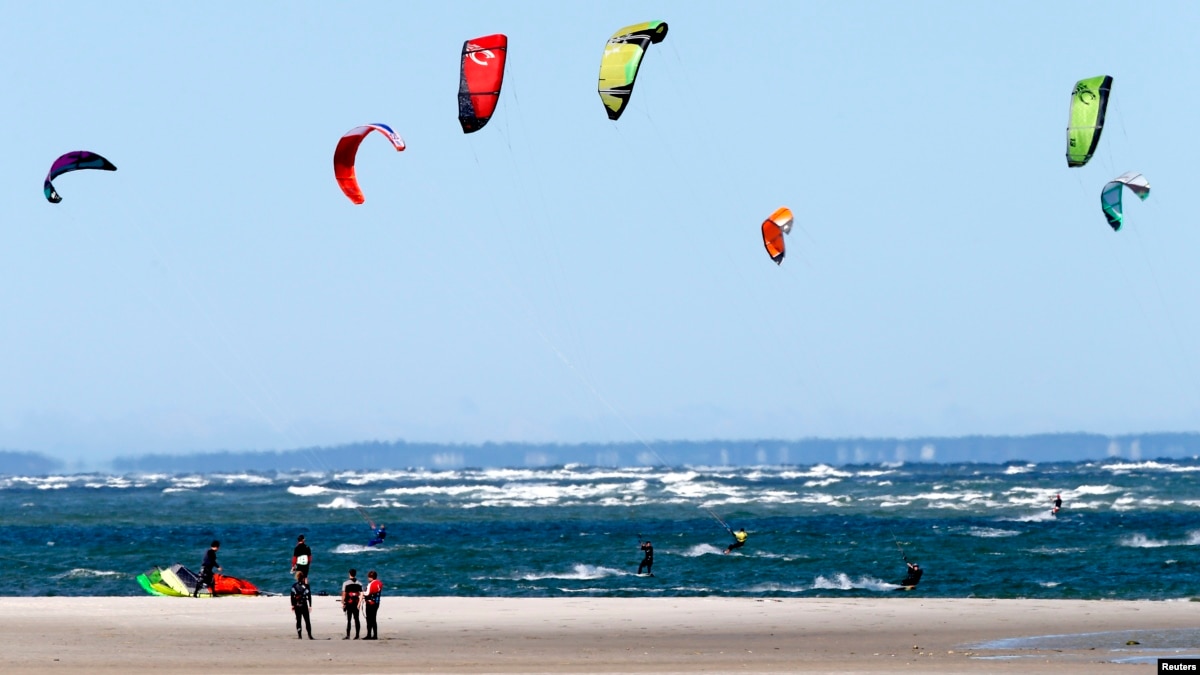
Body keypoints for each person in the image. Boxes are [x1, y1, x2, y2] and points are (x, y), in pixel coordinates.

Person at [290, 571, 314, 639]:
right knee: (307, 620)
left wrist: (293, 605)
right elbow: (309, 596)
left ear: (297, 578)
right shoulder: (306, 586)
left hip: (297, 605)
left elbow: (292, 597)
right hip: (304, 605)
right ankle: (310, 635)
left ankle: (299, 635)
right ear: (303, 578)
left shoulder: (294, 586)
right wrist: (310, 605)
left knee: (298, 620)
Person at [341, 568, 363, 639]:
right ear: (355, 574)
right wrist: (359, 603)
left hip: (349, 603)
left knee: (349, 619)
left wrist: (343, 602)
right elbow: (361, 594)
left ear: (349, 574)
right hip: (356, 603)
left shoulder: (346, 583)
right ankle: (357, 635)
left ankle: (348, 635)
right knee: (357, 619)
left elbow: (344, 594)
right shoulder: (359, 583)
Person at [363, 569, 383, 640]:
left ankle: (369, 635)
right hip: (376, 603)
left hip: (370, 603)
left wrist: (362, 593)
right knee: (374, 619)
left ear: (370, 577)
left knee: (369, 619)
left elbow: (367, 593)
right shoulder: (379, 583)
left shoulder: (371, 584)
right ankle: (375, 635)